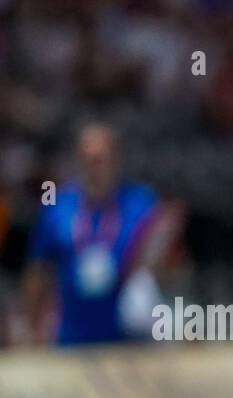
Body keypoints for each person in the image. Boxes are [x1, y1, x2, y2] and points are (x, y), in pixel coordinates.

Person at [22, 123, 179, 346]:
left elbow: (168, 262)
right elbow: (38, 271)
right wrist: (32, 327)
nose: (94, 168)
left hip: (128, 341)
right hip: (71, 340)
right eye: (87, 160)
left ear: (116, 160)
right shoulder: (57, 207)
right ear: (77, 161)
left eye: (101, 160)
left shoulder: (142, 204)